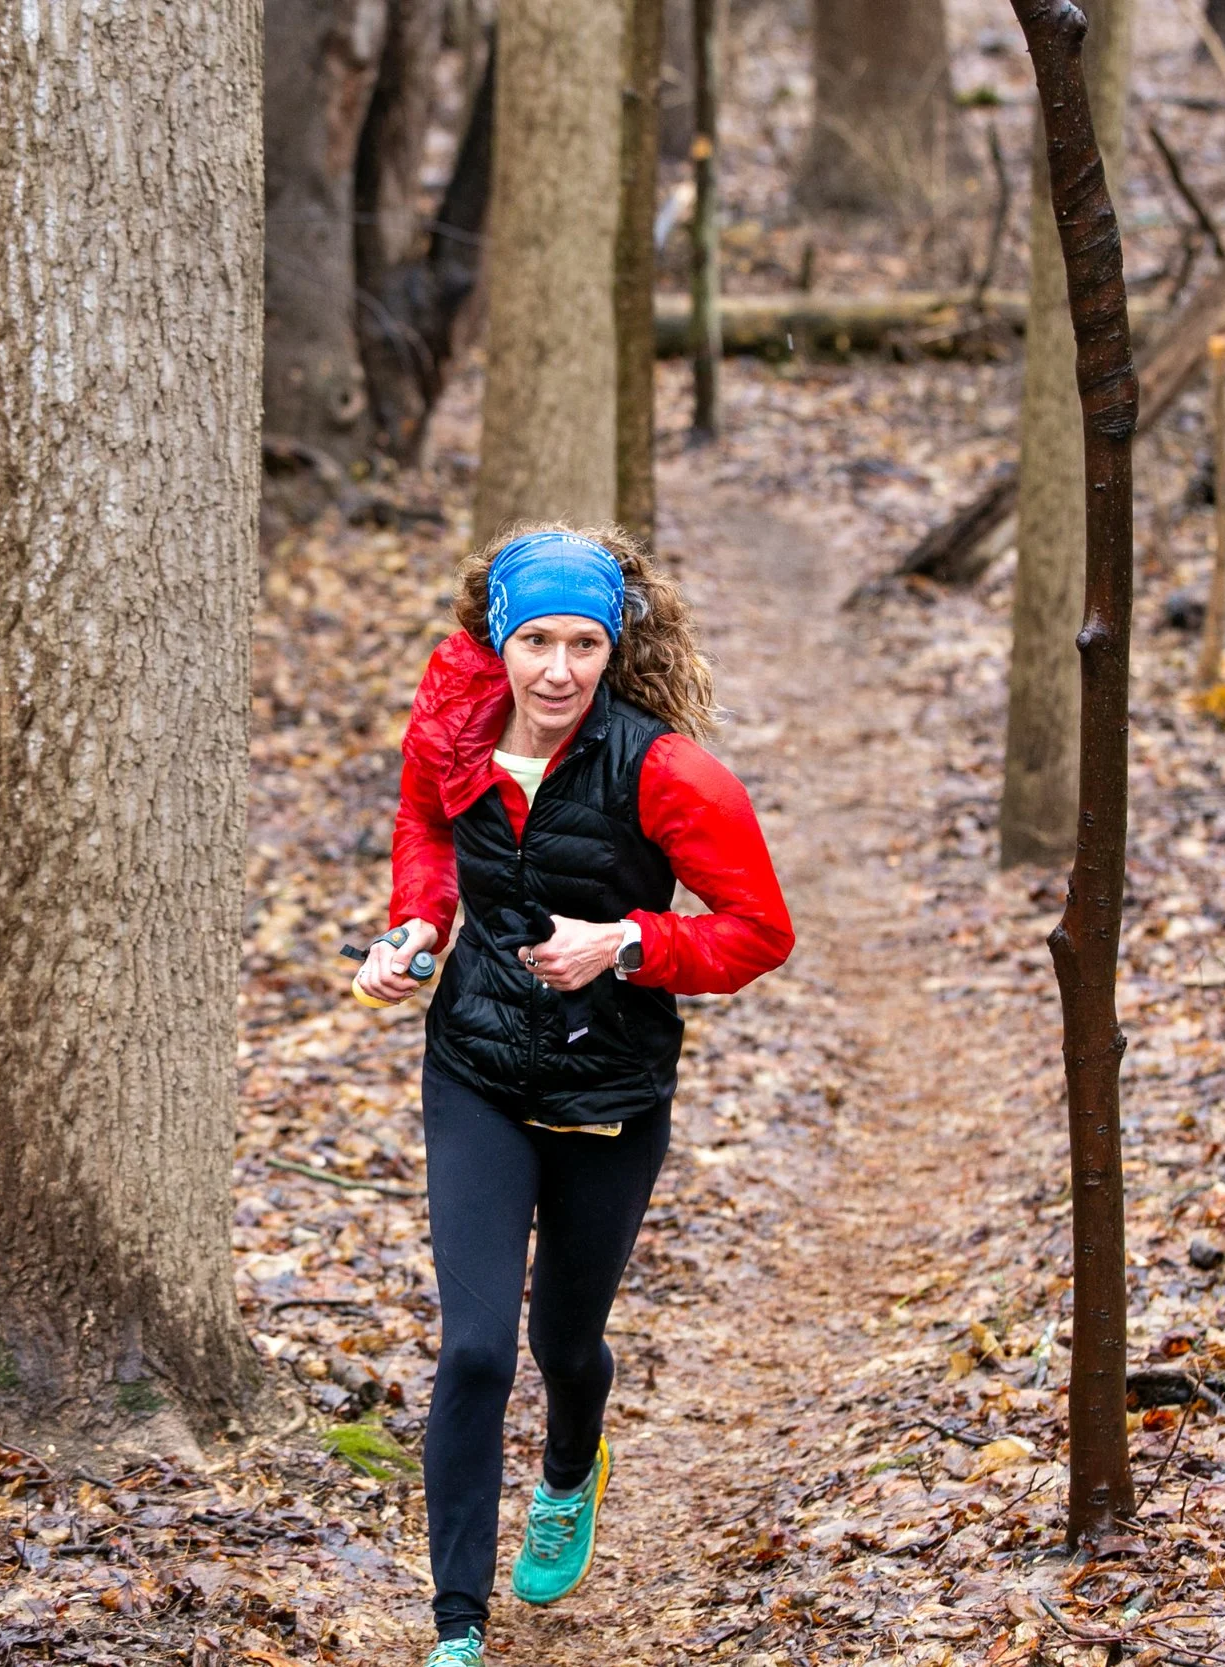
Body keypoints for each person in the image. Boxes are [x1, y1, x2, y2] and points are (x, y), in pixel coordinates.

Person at [355, 525, 794, 1664]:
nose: (557, 668)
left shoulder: (665, 771)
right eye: (536, 640)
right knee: (475, 1349)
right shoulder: (453, 730)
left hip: (610, 1085)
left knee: (565, 1337)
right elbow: (425, 830)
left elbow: (759, 932)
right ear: (500, 640)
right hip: (479, 1069)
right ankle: (456, 1622)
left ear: (614, 648)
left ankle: (568, 1468)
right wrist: (415, 925)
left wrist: (630, 943)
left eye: (584, 643)